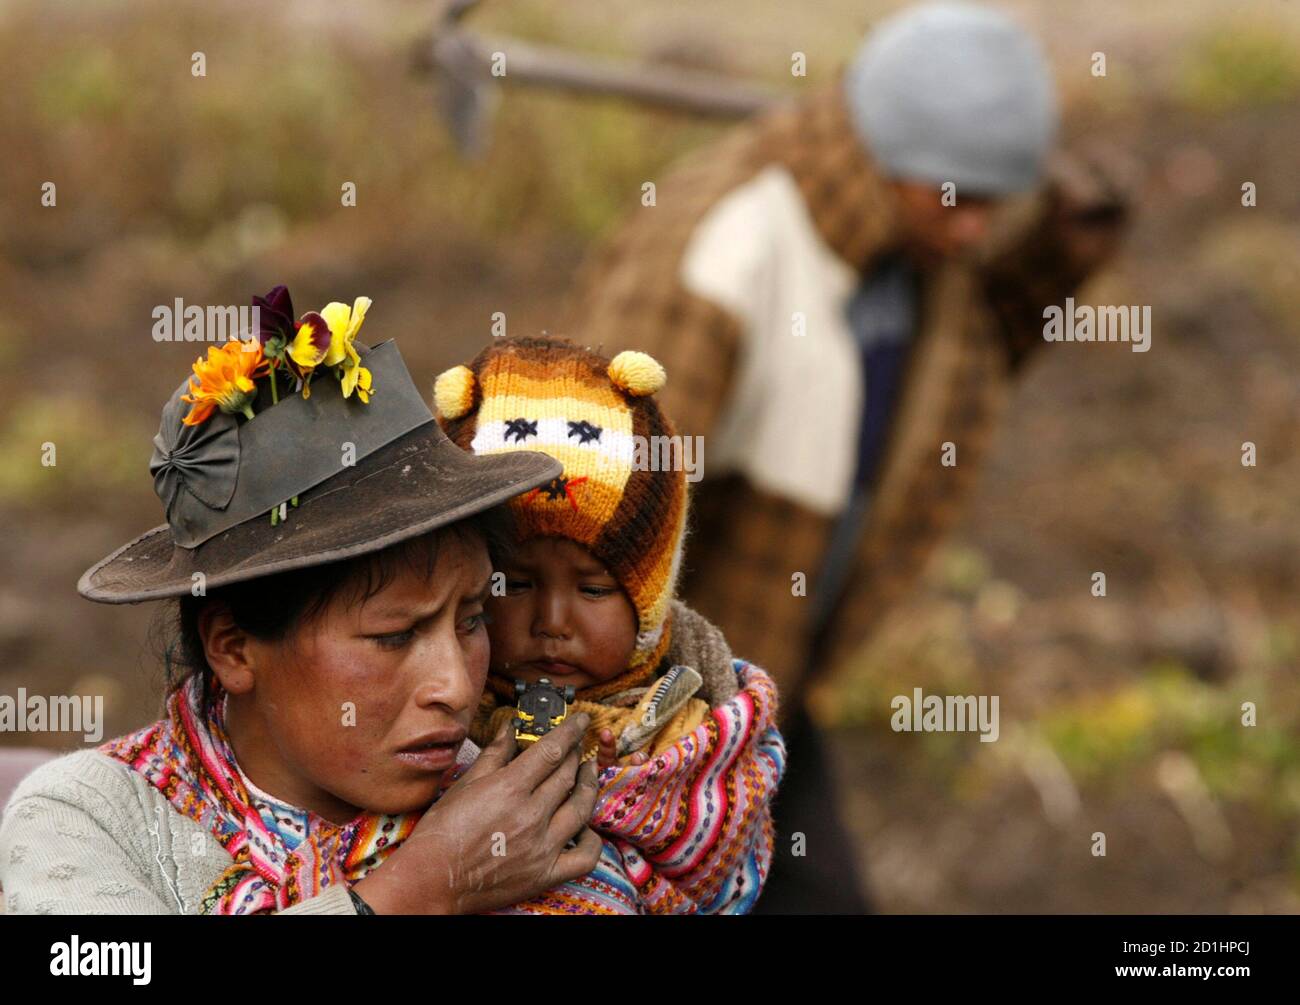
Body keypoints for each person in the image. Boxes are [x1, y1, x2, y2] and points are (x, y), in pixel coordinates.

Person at [560, 3, 1131, 912]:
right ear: (891, 155)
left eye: (995, 203)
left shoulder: (912, 245)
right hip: (648, 713)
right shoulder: (721, 250)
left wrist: (1053, 263)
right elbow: (585, 502)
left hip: (762, 689)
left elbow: (938, 385)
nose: (977, 229)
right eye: (962, 199)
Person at [0, 286, 604, 915]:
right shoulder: (86, 818)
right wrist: (421, 890)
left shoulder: (515, 808)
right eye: (394, 636)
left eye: (473, 620)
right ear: (233, 649)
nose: (454, 687)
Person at [432, 335, 785, 913]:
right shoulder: (432, 717)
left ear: (648, 604)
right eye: (515, 585)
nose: (551, 622)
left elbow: (714, 865)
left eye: (593, 589)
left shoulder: (688, 730)